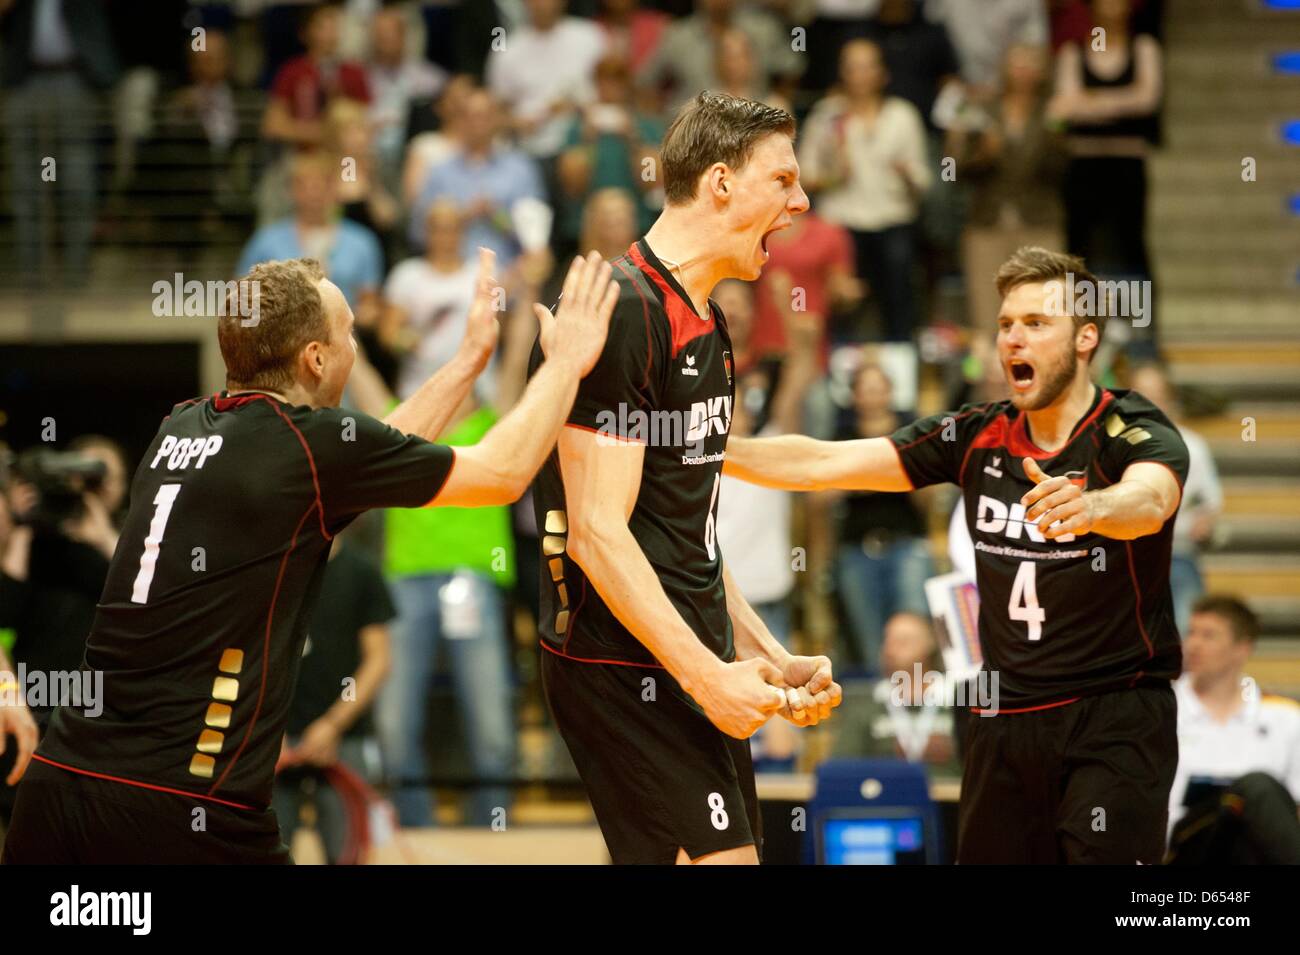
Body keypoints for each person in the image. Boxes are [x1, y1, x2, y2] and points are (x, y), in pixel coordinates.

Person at [0, 248, 621, 864]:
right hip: (179, 809)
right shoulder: (304, 450)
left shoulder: (182, 427)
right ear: (316, 358)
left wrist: (466, 363)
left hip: (60, 787)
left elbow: (377, 455)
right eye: (349, 333)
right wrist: (565, 363)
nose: (356, 347)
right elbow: (503, 473)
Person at [726, 246, 1189, 864]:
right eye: (1005, 325)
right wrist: (709, 450)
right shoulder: (976, 435)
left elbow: (1153, 497)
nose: (1013, 340)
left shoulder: (1128, 428)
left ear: (1085, 339)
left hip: (1114, 716)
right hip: (1003, 718)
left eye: (1035, 324)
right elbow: (824, 461)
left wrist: (1097, 508)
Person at [529, 91, 842, 867]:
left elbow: (685, 535)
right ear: (722, 183)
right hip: (622, 662)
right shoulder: (626, 309)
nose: (801, 201)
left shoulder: (708, 317)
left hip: (682, 657)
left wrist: (764, 650)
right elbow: (598, 533)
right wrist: (709, 677)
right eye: (785, 180)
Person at [799, 39, 931, 342]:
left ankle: (901, 370)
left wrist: (907, 174)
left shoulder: (903, 115)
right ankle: (839, 374)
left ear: (882, 73)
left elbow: (924, 181)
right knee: (842, 308)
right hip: (841, 225)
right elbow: (804, 177)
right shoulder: (827, 115)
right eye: (852, 66)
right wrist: (832, 177)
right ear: (842, 73)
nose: (860, 74)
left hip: (892, 221)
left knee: (899, 305)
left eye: (867, 66)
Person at [273, 534, 393, 864]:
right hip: (276, 740)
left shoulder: (361, 571)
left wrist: (332, 725)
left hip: (345, 737)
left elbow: (378, 660)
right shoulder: (271, 570)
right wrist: (265, 730)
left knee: (348, 852)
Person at [1168, 595, 1300, 862]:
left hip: (1258, 848)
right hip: (1190, 845)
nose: (1194, 644)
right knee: (1255, 789)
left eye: (1209, 636)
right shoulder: (1163, 712)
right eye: (1191, 633)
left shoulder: (1283, 716)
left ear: (1242, 648)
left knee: (1257, 801)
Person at [408, 87, 547, 269]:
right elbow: (418, 233)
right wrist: (461, 217)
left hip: (508, 274)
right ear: (459, 121)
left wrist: (497, 215)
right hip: (450, 274)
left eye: (485, 116)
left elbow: (536, 236)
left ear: (497, 119)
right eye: (470, 116)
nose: (478, 123)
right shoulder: (439, 172)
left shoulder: (520, 169)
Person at [1128, 362, 1220, 635]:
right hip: (1124, 554)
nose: (1149, 403)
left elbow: (1210, 502)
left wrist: (1205, 522)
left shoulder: (1193, 445)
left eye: (1156, 395)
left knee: (1185, 627)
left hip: (1177, 552)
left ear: (1169, 399)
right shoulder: (1111, 442)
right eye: (1141, 394)